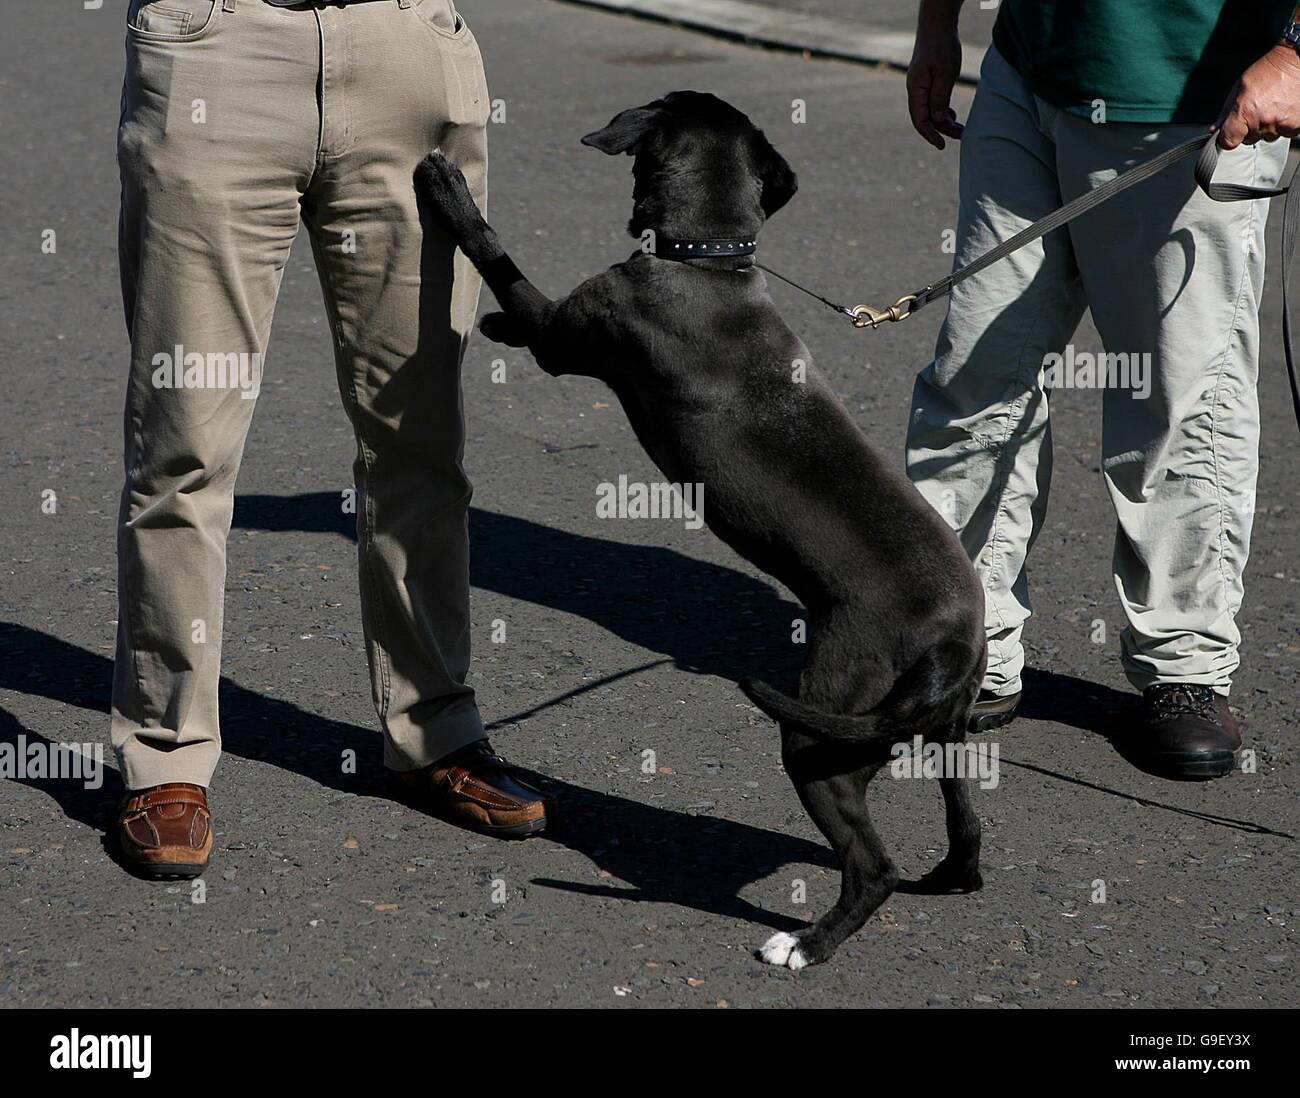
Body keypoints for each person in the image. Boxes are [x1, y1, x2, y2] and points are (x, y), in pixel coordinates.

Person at [112, 0, 551, 878]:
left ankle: (435, 731)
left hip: (404, 49)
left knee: (420, 438)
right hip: (219, 46)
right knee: (185, 445)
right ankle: (165, 752)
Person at [905, 0, 1300, 779]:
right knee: (978, 371)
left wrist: (1294, 54)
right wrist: (936, 21)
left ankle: (1185, 666)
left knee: (1183, 399)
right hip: (1029, 70)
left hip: (1190, 96)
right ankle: (966, 640)